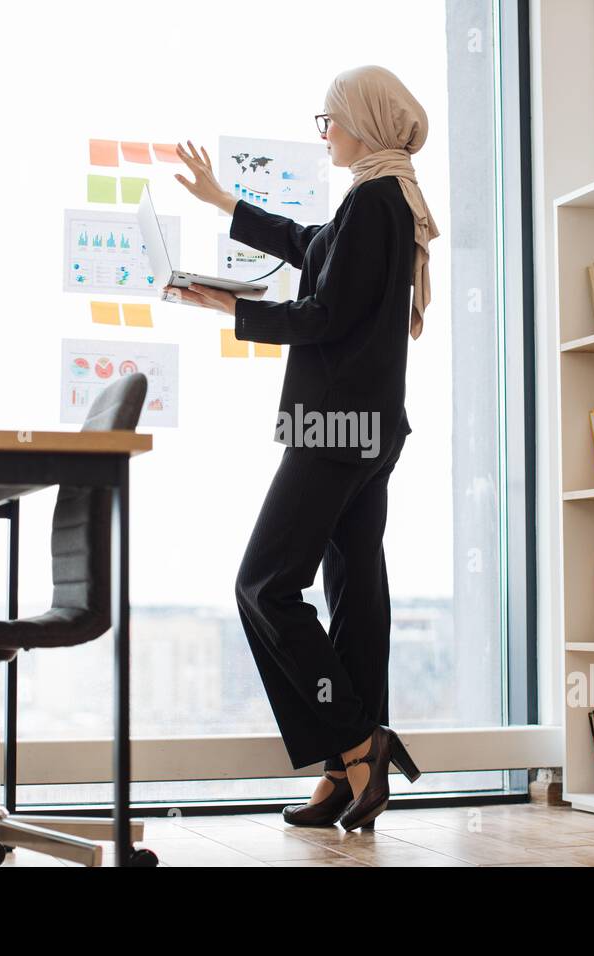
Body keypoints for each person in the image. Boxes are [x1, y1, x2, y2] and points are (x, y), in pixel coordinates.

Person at [168, 64, 439, 831]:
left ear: (363, 120)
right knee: (353, 598)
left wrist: (230, 306)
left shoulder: (378, 204)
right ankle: (346, 774)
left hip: (336, 431)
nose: (324, 133)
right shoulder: (380, 201)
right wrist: (222, 200)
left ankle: (357, 743)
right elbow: (306, 245)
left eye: (329, 118)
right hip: (369, 432)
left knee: (264, 585)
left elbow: (321, 316)